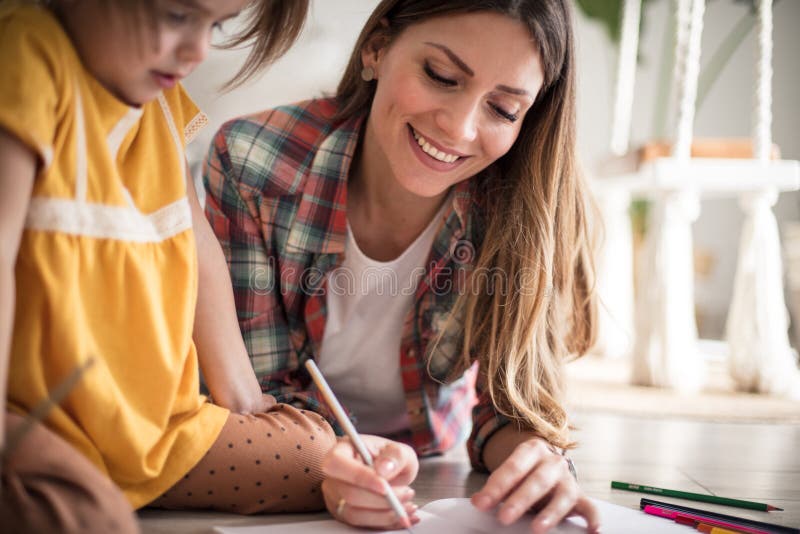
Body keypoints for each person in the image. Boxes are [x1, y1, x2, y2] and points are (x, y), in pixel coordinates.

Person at [204, 0, 600, 532]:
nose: (459, 129)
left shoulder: (526, 203)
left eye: (503, 110)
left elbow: (510, 411)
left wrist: (539, 459)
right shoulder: (251, 162)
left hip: (430, 464)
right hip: (289, 457)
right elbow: (254, 393)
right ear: (377, 48)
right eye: (440, 76)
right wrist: (328, 464)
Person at [0, 1, 340, 532]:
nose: (198, 51)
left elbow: (199, 249)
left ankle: (110, 478)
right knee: (86, 518)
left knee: (320, 455)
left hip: (157, 430)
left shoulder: (161, 101)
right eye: (176, 15)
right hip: (40, 420)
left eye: (216, 25)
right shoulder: (26, 51)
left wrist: (248, 404)